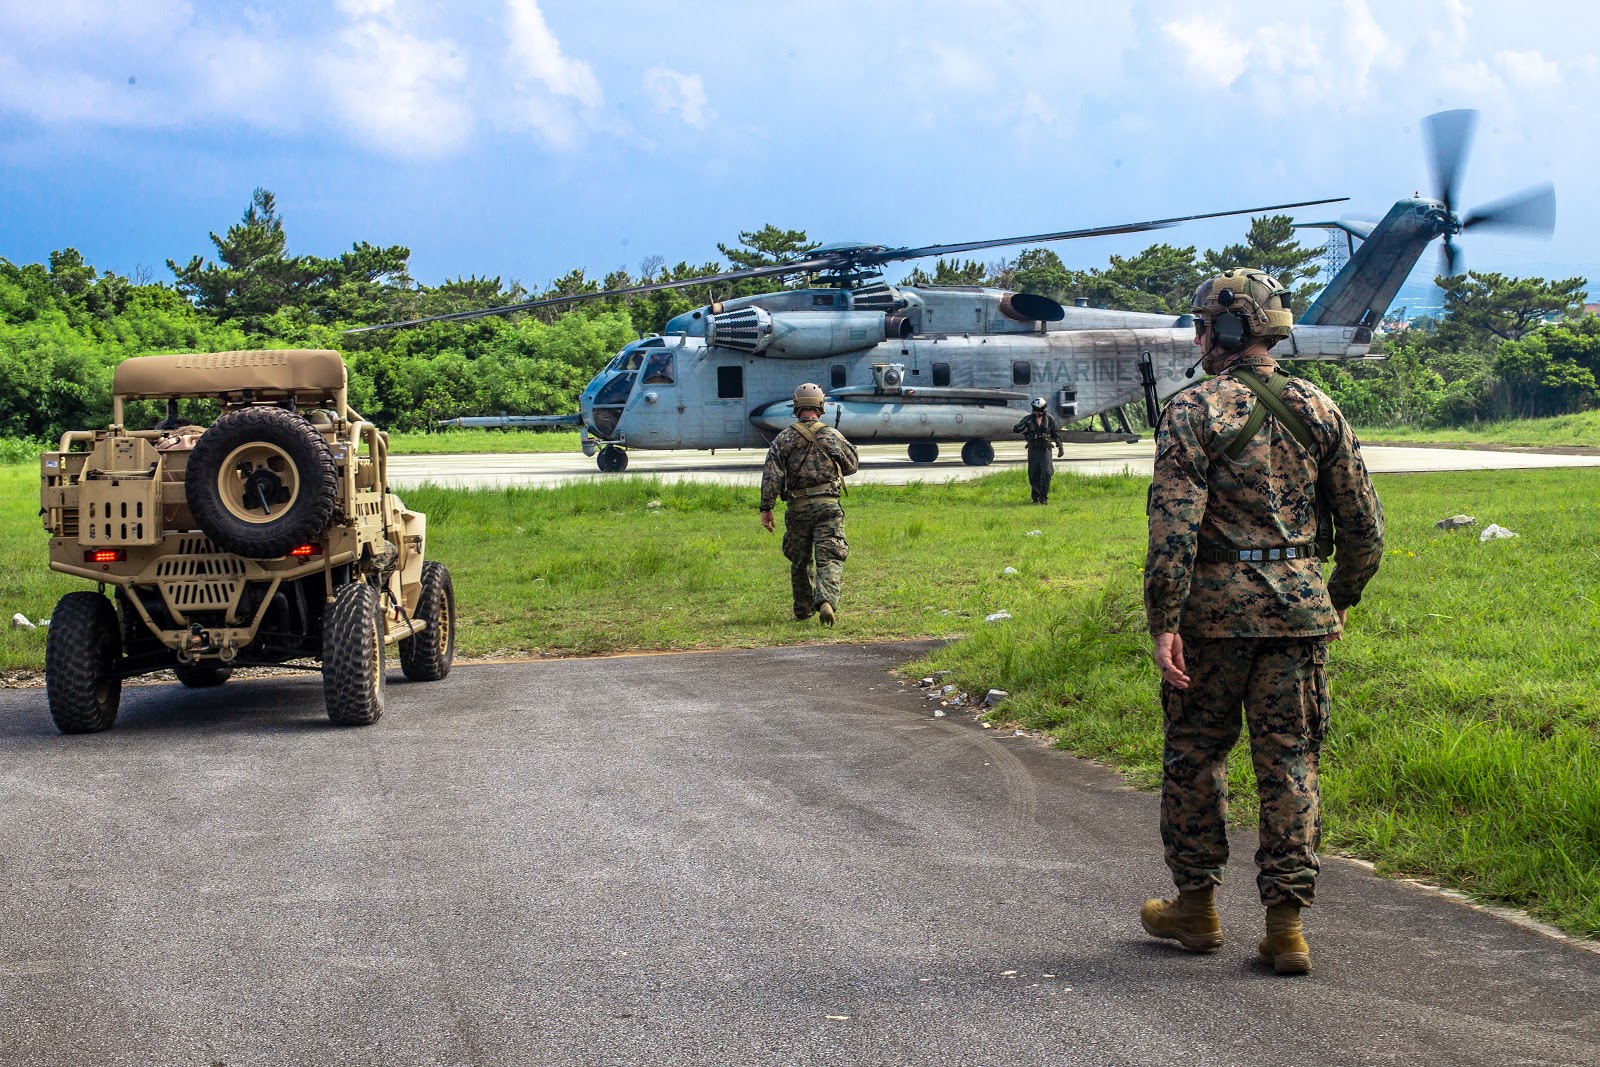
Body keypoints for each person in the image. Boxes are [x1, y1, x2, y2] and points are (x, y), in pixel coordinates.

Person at [1141, 268, 1384, 975]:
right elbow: (1365, 527)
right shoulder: (1319, 406)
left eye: (1200, 323)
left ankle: (1196, 907)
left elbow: (1174, 530)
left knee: (1195, 755)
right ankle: (1285, 927)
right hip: (1298, 620)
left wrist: (1165, 617)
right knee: (1289, 762)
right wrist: (1337, 596)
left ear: (1221, 329)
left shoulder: (1191, 411)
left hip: (1213, 621)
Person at [759, 383, 860, 626]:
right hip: (828, 506)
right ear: (821, 406)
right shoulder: (831, 435)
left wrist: (766, 507)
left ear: (796, 406)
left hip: (798, 508)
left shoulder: (782, 439)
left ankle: (803, 610)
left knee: (800, 560)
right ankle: (826, 600)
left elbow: (772, 476)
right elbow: (851, 466)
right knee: (830, 557)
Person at [1012, 398, 1064, 503]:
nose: (1035, 411)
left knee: (1047, 472)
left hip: (1045, 450)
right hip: (1033, 450)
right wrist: (1023, 424)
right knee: (1033, 474)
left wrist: (1060, 447)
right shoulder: (1029, 418)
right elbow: (1017, 429)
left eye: (1037, 409)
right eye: (1034, 409)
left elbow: (1056, 434)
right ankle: (1035, 497)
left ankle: (1043, 498)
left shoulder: (1050, 419)